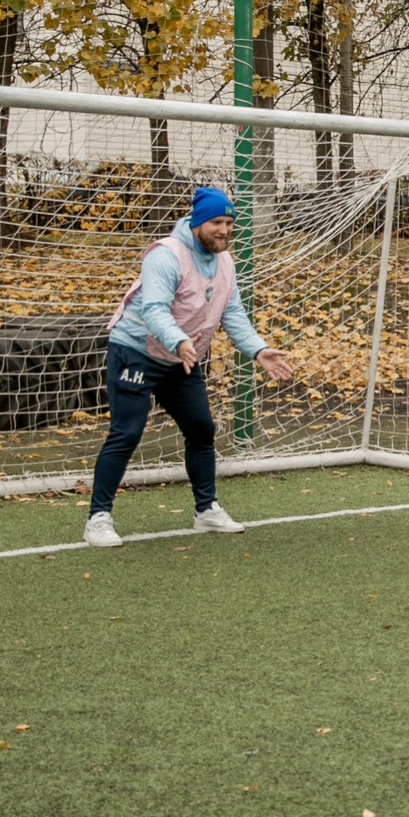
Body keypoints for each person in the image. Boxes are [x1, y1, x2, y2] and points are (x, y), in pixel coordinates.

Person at [83, 187, 295, 548]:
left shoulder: (226, 262)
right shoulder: (165, 255)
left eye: (230, 223)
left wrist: (258, 351)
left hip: (182, 356)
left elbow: (232, 313)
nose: (225, 230)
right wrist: (180, 340)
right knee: (127, 431)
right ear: (198, 222)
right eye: (217, 222)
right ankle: (98, 518)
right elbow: (153, 310)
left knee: (201, 428)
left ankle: (206, 510)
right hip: (136, 351)